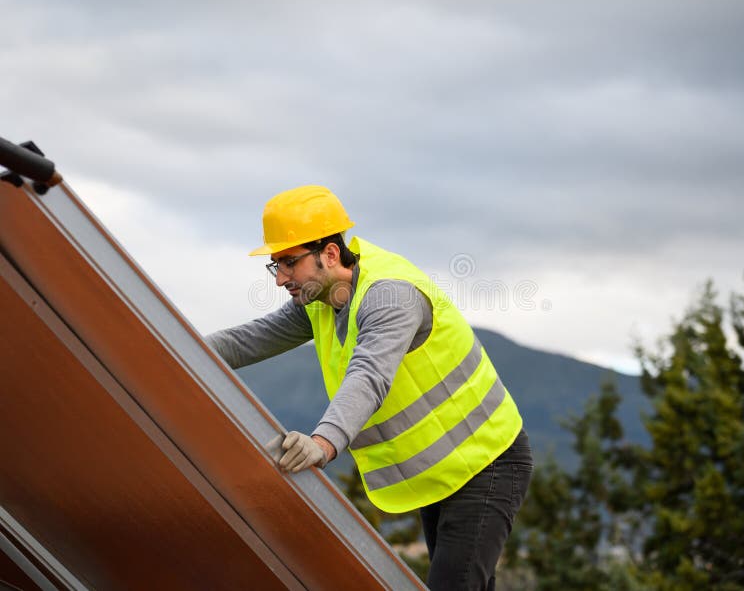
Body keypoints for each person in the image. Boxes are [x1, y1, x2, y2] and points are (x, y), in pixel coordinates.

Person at [206, 185, 533, 590]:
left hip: (486, 461)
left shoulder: (390, 296)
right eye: (276, 266)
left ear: (329, 253)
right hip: (441, 470)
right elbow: (249, 339)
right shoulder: (321, 299)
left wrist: (323, 443)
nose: (281, 279)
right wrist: (176, 345)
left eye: (289, 263)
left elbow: (370, 375)